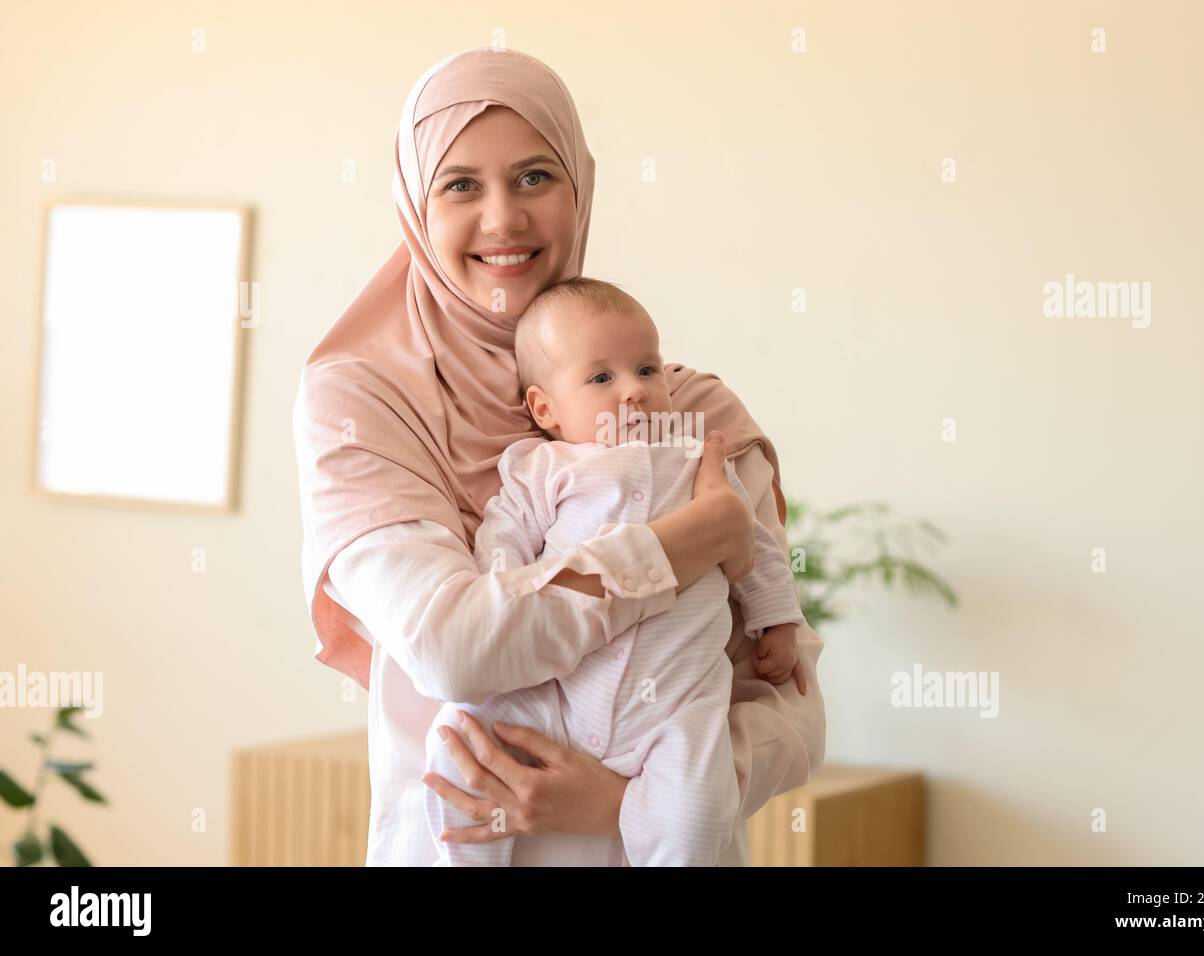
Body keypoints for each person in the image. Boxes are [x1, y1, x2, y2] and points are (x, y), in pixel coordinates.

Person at [292, 46, 826, 866]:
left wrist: (622, 804)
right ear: (415, 205)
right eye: (460, 184)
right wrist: (685, 543)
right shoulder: (363, 405)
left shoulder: (689, 414)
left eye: (537, 177)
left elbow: (792, 708)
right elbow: (453, 649)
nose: (504, 218)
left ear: (581, 186)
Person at [423, 277, 806, 866]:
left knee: (700, 809)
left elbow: (749, 543)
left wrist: (775, 619)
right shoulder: (541, 467)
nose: (634, 391)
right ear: (544, 408)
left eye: (648, 370)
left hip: (674, 701)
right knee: (456, 740)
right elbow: (504, 537)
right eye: (602, 378)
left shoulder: (694, 459)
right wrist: (502, 583)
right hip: (558, 690)